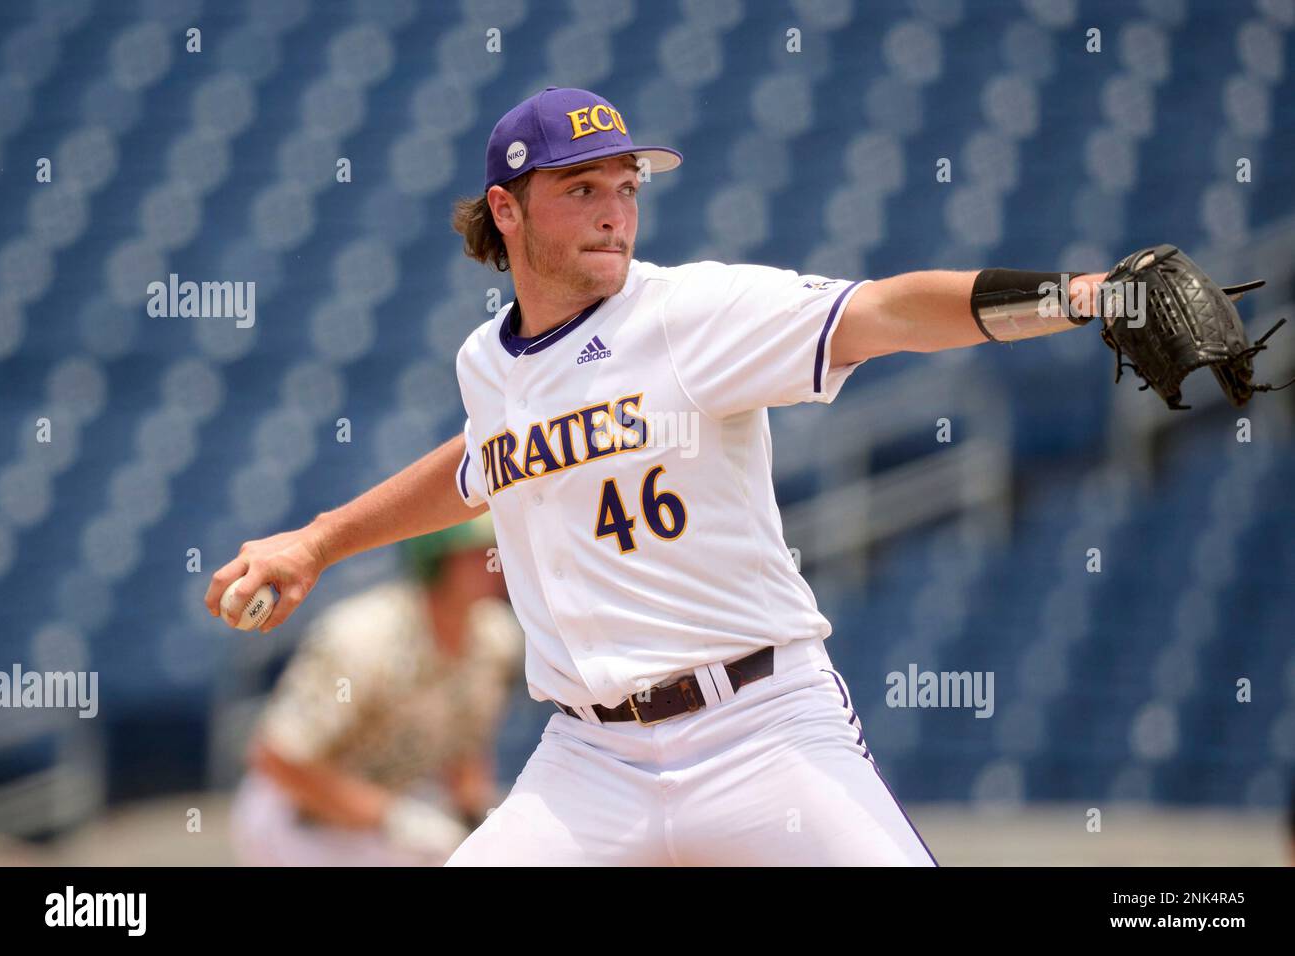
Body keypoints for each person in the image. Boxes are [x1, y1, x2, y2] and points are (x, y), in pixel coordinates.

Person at [207, 86, 1114, 866]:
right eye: (582, 188)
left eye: (627, 186)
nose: (616, 211)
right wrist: (318, 542)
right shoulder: (487, 362)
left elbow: (886, 314)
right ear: (507, 210)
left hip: (758, 726)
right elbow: (483, 460)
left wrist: (1081, 296)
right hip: (590, 760)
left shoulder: (690, 313)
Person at [228, 514, 522, 866]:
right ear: (437, 560)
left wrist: (477, 820)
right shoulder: (364, 636)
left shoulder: (496, 639)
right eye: (475, 554)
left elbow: (465, 749)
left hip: (378, 813)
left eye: (495, 552)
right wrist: (391, 817)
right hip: (294, 819)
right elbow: (276, 758)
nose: (492, 565)